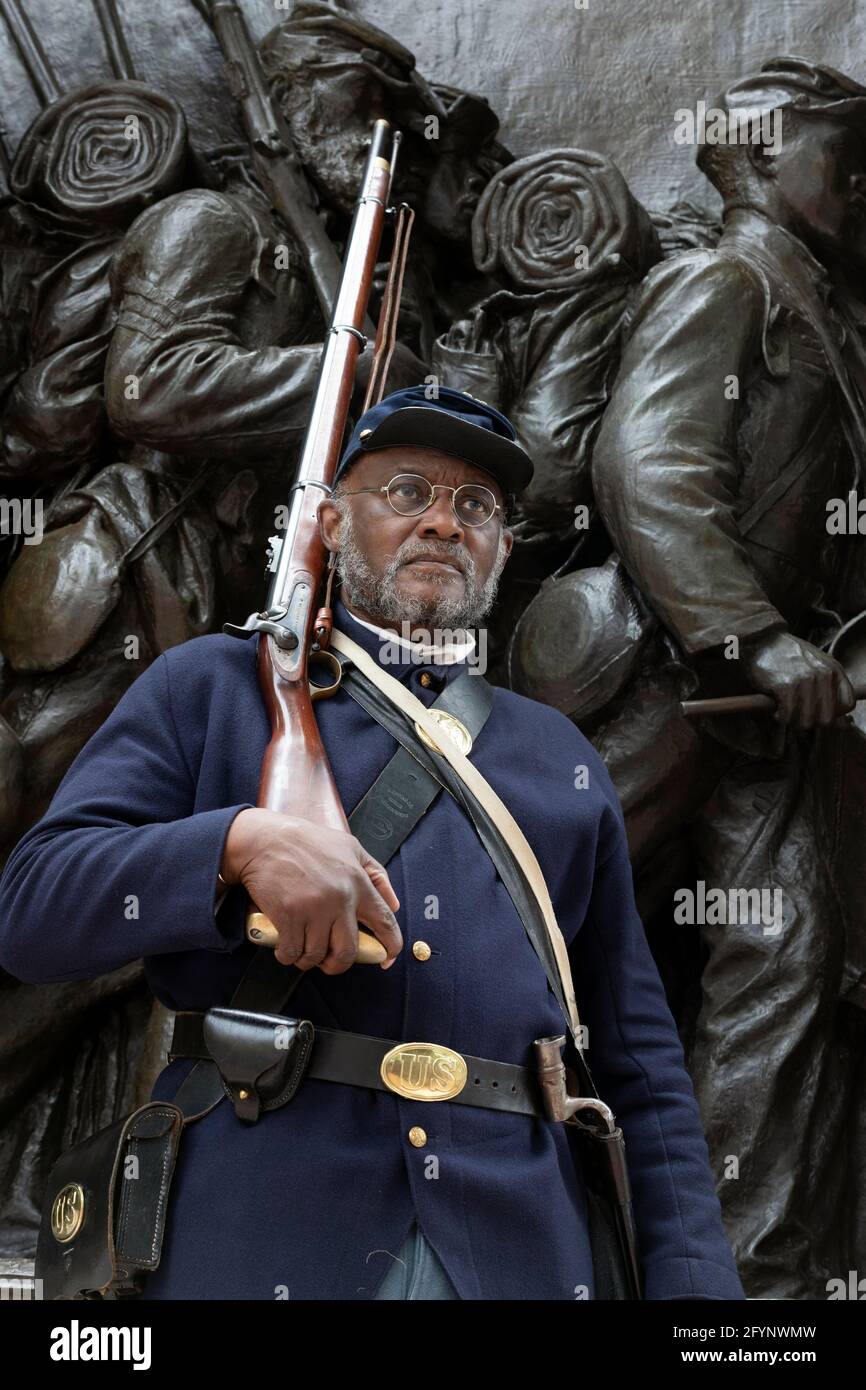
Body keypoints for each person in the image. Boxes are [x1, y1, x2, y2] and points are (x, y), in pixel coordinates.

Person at [0, 385, 745, 1301]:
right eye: (406, 491)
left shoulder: (559, 758)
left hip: (518, 1251)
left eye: (476, 507)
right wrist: (235, 844)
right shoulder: (210, 688)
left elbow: (637, 1061)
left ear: (504, 550)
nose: (443, 522)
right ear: (330, 524)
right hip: (261, 1231)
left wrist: (699, 1298)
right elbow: (33, 908)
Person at [585, 58, 866, 1297]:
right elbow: (647, 464)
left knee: (784, 955)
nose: (858, 181)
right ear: (750, 159)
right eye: (836, 153)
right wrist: (751, 636)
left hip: (765, 723)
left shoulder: (822, 305)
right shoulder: (723, 280)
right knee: (515, 927)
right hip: (671, 689)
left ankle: (744, 1289)